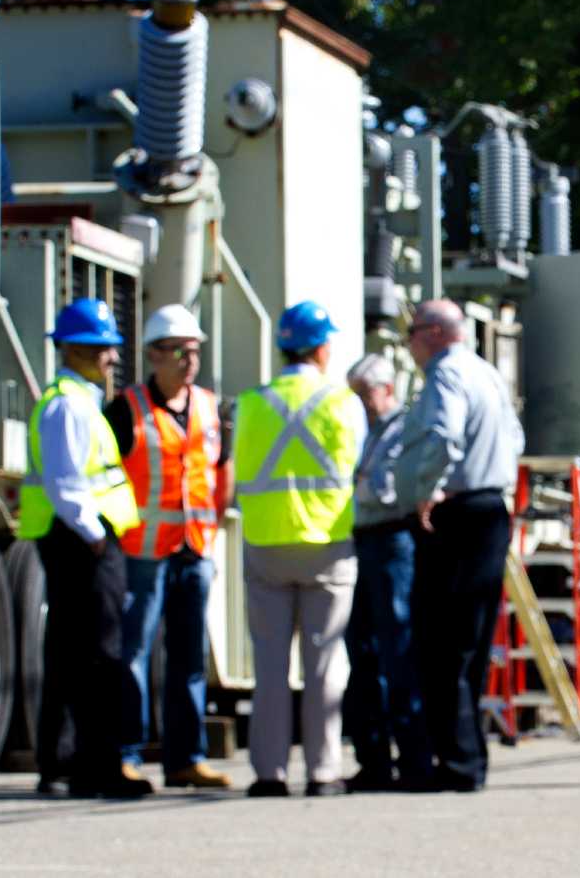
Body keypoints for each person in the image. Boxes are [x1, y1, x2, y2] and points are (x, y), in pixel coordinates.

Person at [20, 298, 153, 799]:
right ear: (74, 349)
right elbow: (66, 482)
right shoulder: (69, 406)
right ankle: (94, 764)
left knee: (71, 653)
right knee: (98, 656)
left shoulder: (75, 401)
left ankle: (65, 763)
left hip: (77, 539)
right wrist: (96, 537)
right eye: (102, 349)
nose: (112, 359)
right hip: (83, 542)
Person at [232, 301, 363, 798]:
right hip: (327, 542)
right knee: (324, 663)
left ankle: (269, 774)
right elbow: (357, 461)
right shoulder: (341, 402)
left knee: (269, 666)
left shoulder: (251, 402)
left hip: (266, 540)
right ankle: (323, 770)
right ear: (323, 347)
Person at [394, 299, 525, 793]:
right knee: (469, 644)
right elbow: (514, 436)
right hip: (491, 510)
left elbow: (444, 434)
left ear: (430, 334)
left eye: (411, 334)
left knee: (441, 645)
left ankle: (456, 764)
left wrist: (427, 487)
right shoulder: (487, 374)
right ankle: (469, 760)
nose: (409, 345)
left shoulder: (446, 375)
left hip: (457, 516)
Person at [103, 304, 232, 790]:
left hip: (194, 550)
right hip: (143, 552)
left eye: (195, 350)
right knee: (133, 654)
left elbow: (222, 472)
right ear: (154, 355)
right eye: (180, 351)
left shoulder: (209, 407)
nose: (189, 360)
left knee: (189, 657)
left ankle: (185, 758)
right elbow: (106, 475)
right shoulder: (126, 409)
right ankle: (126, 753)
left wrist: (212, 529)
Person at [340, 352, 432, 793]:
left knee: (397, 646)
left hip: (393, 539)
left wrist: (356, 478)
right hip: (364, 540)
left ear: (388, 389)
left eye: (367, 393)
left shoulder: (402, 428)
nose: (361, 402)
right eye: (355, 394)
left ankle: (413, 757)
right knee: (363, 648)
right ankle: (372, 758)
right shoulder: (365, 433)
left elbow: (386, 487)